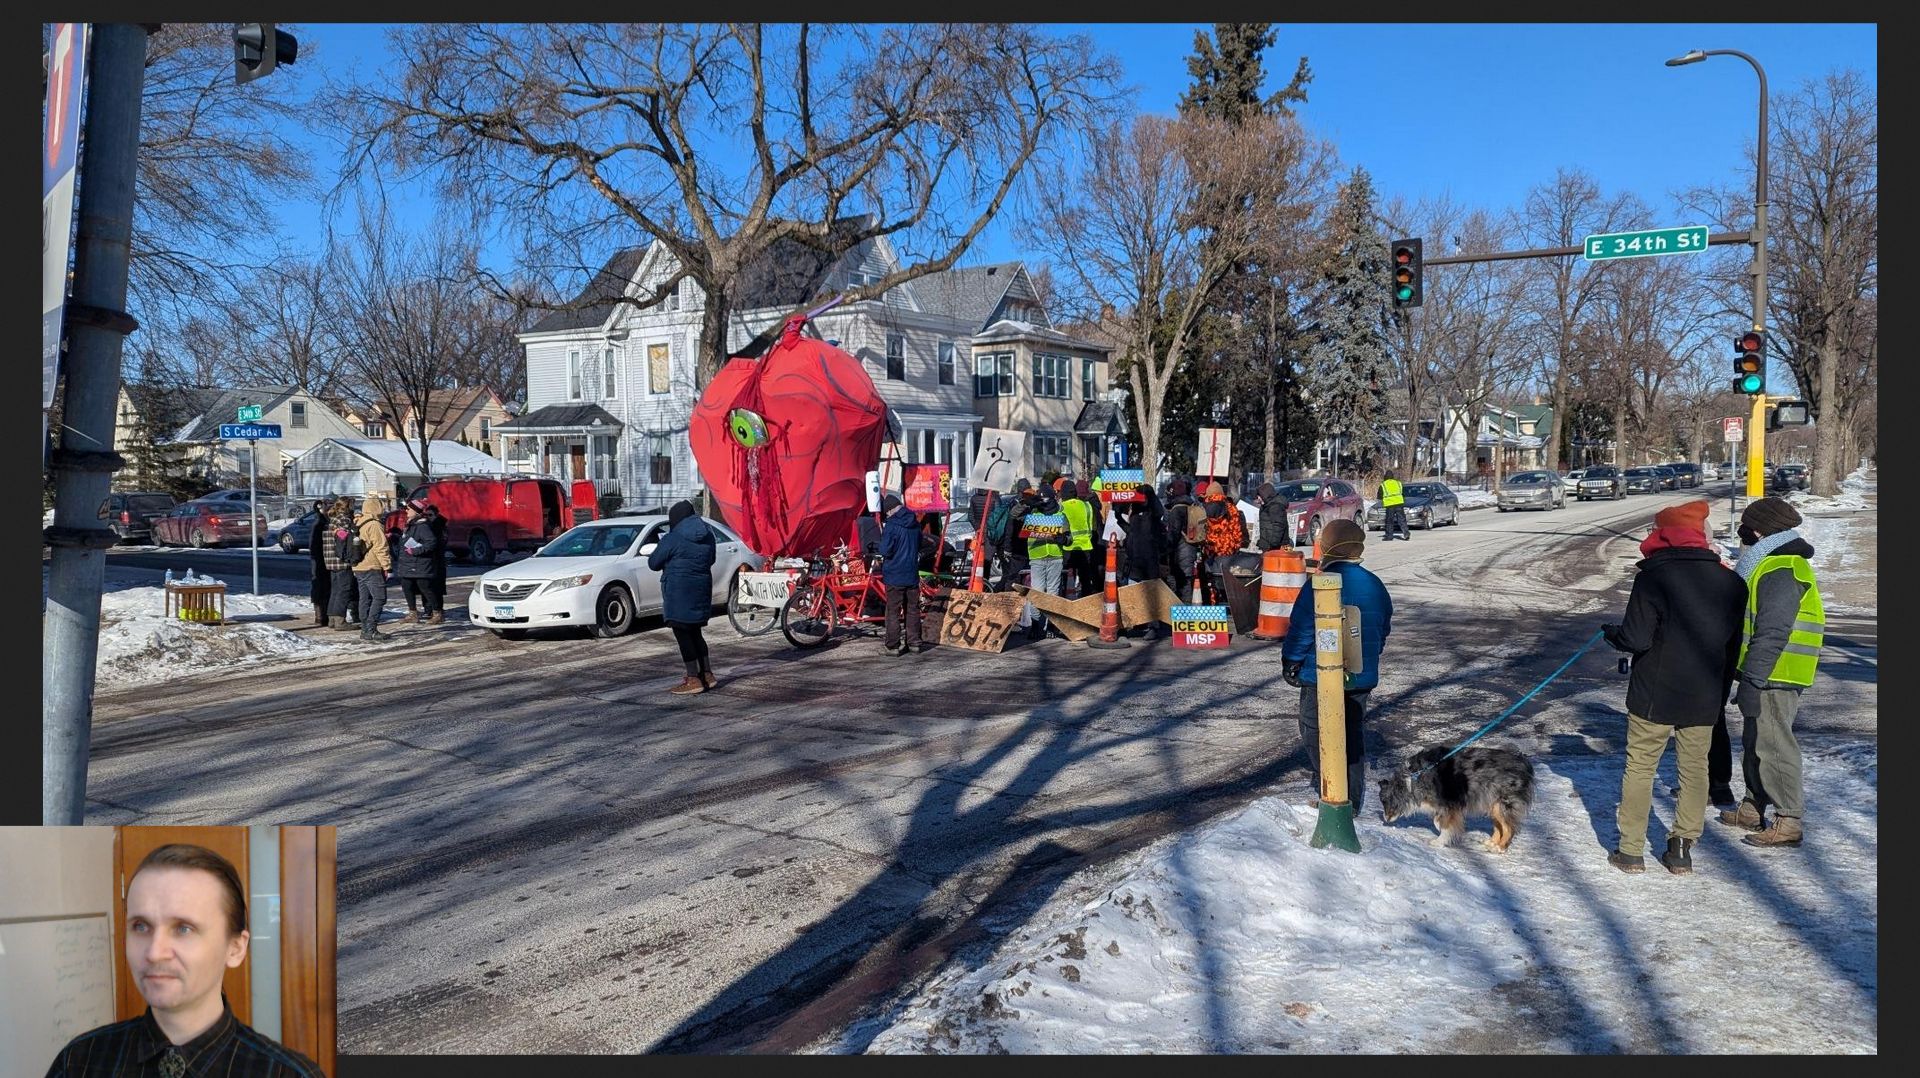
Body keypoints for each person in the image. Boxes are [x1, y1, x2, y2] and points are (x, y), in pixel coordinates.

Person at [45, 843, 326, 1077]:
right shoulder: (79, 1063)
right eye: (141, 926)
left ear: (236, 949)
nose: (154, 952)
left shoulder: (285, 1074)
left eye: (183, 929)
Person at [1599, 499, 1747, 874]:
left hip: (1654, 692)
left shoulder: (1653, 577)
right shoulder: (1732, 582)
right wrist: (1722, 688)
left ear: (1665, 534)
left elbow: (1636, 638)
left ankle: (1631, 851)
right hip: (1704, 693)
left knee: (1641, 766)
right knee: (1695, 768)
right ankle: (1681, 848)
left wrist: (1613, 635)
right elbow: (1733, 646)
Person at [1718, 496, 1824, 849]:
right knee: (1756, 741)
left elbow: (1773, 630)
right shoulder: (1767, 561)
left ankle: (1788, 819)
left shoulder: (1782, 567)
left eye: (1747, 526)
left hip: (1777, 672)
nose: (1742, 533)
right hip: (1766, 670)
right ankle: (1753, 806)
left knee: (1774, 744)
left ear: (1761, 528)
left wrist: (1753, 678)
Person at [1280, 519, 1391, 814]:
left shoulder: (1319, 584)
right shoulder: (1375, 585)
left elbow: (1302, 628)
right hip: (1360, 677)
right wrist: (1369, 659)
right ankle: (1351, 801)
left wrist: (1291, 662)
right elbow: (1382, 628)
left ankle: (1330, 788)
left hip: (1319, 676)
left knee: (1313, 727)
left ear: (1327, 548)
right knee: (1352, 735)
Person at [649, 500, 718, 695]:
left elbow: (653, 563)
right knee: (695, 632)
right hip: (701, 589)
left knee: (682, 633)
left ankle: (693, 679)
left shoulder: (673, 538)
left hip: (678, 591)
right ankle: (707, 674)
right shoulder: (708, 535)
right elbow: (711, 559)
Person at [878, 494, 924, 656]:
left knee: (893, 611)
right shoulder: (915, 523)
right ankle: (914, 643)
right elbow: (920, 544)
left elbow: (884, 550)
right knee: (912, 609)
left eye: (887, 513)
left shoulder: (891, 525)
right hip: (911, 573)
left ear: (890, 510)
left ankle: (893, 645)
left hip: (894, 574)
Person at [1018, 480, 1065, 640]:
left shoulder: (1060, 515)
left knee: (1051, 594)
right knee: (1037, 593)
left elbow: (1069, 538)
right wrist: (1027, 503)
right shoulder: (1034, 513)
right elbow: (1014, 514)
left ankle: (1050, 625)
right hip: (1037, 557)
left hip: (1054, 557)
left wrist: (1063, 540)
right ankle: (1036, 625)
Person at [1121, 490, 1168, 639]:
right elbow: (1130, 530)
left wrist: (1148, 491)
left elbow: (1159, 510)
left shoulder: (1152, 515)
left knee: (1150, 594)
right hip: (1134, 560)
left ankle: (1153, 626)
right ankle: (1132, 623)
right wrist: (1118, 512)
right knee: (1132, 594)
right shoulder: (1134, 513)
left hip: (1149, 560)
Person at [394, 498, 444, 625]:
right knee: (407, 587)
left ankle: (437, 612)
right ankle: (413, 613)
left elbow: (432, 543)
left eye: (409, 509)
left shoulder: (423, 526)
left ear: (416, 511)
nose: (406, 510)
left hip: (419, 564)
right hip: (407, 564)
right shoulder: (411, 524)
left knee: (425, 588)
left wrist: (416, 551)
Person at [352, 494, 394, 642]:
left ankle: (364, 628)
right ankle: (371, 628)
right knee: (379, 597)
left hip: (358, 566)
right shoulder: (374, 525)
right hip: (372, 566)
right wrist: (387, 567)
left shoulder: (357, 522)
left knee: (364, 598)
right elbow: (380, 547)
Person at [1200, 481, 1246, 605]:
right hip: (1228, 550)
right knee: (1226, 580)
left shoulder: (1203, 508)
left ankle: (1213, 604)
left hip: (1211, 550)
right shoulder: (1232, 509)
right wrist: (1235, 546)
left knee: (1211, 579)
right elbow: (1237, 531)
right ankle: (1228, 603)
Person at [322, 496, 360, 631]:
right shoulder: (343, 520)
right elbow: (343, 540)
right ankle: (340, 620)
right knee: (344, 590)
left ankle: (332, 618)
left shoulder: (333, 518)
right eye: (353, 505)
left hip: (331, 561)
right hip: (341, 560)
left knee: (336, 589)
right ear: (347, 506)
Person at [1162, 479, 1201, 602]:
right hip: (1191, 551)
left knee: (1180, 586)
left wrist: (1165, 550)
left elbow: (1173, 534)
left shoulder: (1177, 510)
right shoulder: (1191, 506)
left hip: (1180, 555)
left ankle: (1180, 615)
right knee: (1186, 584)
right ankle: (1187, 612)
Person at [1058, 478, 1095, 598]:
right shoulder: (1086, 505)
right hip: (1085, 546)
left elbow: (1059, 529)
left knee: (1067, 579)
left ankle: (1067, 601)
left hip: (1068, 548)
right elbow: (1091, 526)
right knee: (1085, 580)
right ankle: (1086, 602)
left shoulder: (1061, 507)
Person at [425, 502, 450, 624]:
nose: (428, 518)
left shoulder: (439, 526)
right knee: (428, 586)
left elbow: (441, 542)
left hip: (438, 560)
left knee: (437, 587)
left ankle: (437, 609)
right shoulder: (428, 526)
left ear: (436, 515)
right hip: (431, 560)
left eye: (430, 515)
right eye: (426, 515)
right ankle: (429, 609)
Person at [306, 500, 330, 627]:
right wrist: (317, 558)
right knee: (321, 587)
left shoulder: (323, 522)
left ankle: (322, 615)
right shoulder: (319, 524)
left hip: (321, 559)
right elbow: (314, 545)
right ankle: (321, 616)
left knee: (324, 587)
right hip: (320, 560)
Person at [1256, 482, 1291, 552]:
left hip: (1277, 546)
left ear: (1266, 495)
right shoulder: (1266, 505)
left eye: (1259, 496)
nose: (1258, 498)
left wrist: (1273, 543)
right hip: (1269, 545)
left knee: (1280, 562)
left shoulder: (1275, 506)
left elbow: (1279, 525)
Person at [1380, 471, 1410, 541]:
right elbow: (1403, 493)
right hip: (1399, 503)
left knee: (1389, 521)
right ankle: (1406, 533)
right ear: (1392, 476)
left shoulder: (1383, 484)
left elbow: (1379, 495)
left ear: (1385, 477)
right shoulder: (1398, 483)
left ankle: (1389, 536)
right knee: (1402, 519)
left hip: (1389, 504)